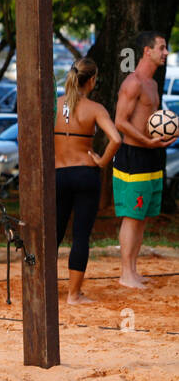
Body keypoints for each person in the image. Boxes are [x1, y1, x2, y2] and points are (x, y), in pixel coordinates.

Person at [112, 30, 177, 289]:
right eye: (162, 48)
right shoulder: (134, 83)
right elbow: (120, 122)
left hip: (151, 154)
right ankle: (125, 273)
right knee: (132, 215)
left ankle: (134, 270)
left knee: (143, 215)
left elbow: (152, 120)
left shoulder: (152, 84)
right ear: (147, 51)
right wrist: (146, 141)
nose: (166, 52)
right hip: (133, 157)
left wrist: (163, 134)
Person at [53, 57, 121, 304]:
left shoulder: (54, 105)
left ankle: (47, 290)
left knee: (54, 234)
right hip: (85, 173)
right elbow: (116, 139)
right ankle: (73, 294)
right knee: (81, 235)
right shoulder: (95, 108)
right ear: (91, 80)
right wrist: (102, 162)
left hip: (58, 174)